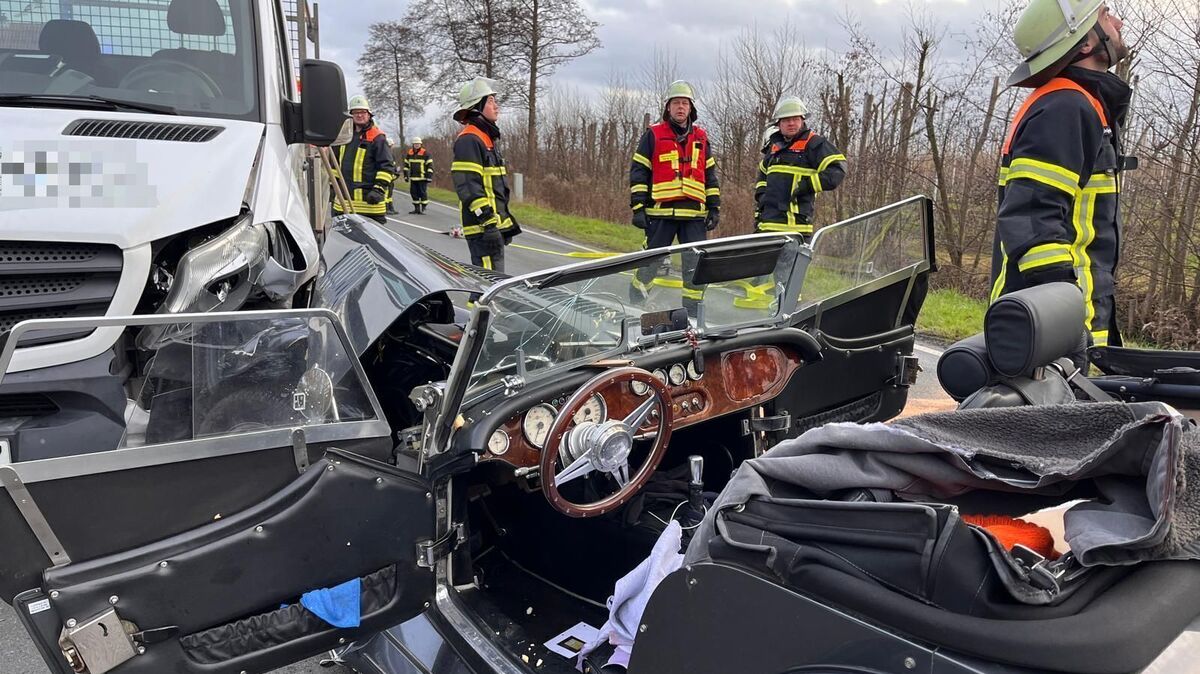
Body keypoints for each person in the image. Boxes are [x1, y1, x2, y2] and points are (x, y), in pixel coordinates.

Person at [991, 0, 1131, 353]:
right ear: (1085, 43)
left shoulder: (1084, 105)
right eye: (1104, 14)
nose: (1118, 21)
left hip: (1065, 330)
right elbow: (1033, 223)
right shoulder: (1065, 108)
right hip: (1053, 337)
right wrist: (1066, 324)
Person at [629, 80, 720, 311]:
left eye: (685, 103)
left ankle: (691, 314)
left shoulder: (701, 137)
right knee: (650, 263)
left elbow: (709, 174)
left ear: (691, 108)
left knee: (695, 266)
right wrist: (638, 208)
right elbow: (639, 171)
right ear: (668, 107)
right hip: (660, 214)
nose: (680, 107)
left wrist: (714, 207)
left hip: (693, 216)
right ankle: (636, 305)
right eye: (676, 103)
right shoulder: (653, 134)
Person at [451, 77, 521, 271]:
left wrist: (505, 226)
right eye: (491, 101)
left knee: (491, 285)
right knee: (486, 286)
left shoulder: (486, 138)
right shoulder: (469, 139)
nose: (496, 106)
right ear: (477, 106)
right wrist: (488, 223)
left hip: (490, 227)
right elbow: (468, 186)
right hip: (482, 228)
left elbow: (494, 189)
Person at [753, 96, 847, 240]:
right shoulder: (773, 147)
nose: (791, 123)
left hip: (796, 228)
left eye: (795, 119)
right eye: (786, 120)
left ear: (802, 120)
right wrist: (762, 196)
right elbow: (763, 175)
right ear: (779, 124)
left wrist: (807, 185)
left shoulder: (813, 143)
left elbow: (837, 170)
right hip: (767, 226)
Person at [332, 95, 396, 224]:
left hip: (370, 206)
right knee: (345, 243)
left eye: (362, 112)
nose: (359, 115)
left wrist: (378, 189)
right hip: (343, 205)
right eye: (355, 112)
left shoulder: (377, 138)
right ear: (350, 115)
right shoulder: (343, 137)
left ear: (369, 114)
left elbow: (387, 168)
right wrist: (333, 187)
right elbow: (334, 165)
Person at [403, 137, 434, 215]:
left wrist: (429, 176)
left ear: (420, 144)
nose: (416, 145)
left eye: (418, 144)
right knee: (413, 193)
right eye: (415, 144)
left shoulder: (425, 153)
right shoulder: (409, 153)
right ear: (413, 144)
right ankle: (416, 209)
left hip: (423, 178)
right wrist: (406, 176)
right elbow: (406, 166)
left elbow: (430, 166)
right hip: (413, 178)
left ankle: (423, 207)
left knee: (422, 193)